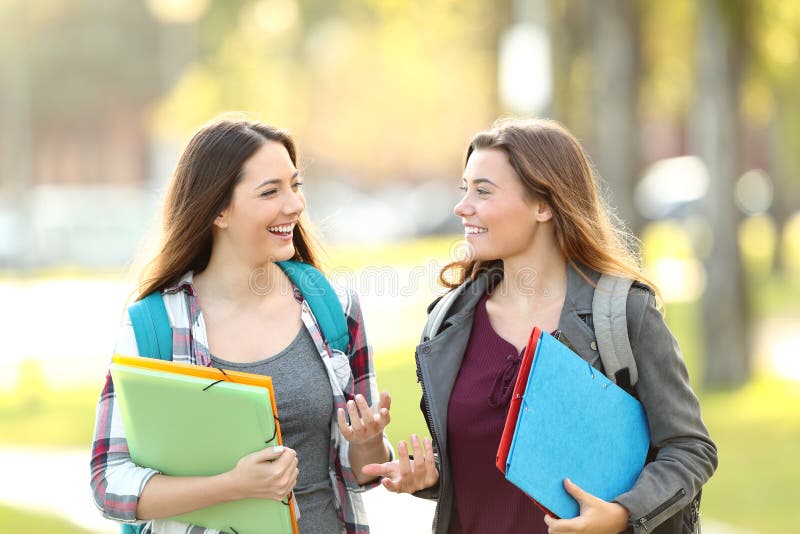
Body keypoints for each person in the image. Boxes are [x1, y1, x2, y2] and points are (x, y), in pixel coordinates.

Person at [363, 118, 718, 533]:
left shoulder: (623, 314)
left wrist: (622, 513)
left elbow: (690, 448)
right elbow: (488, 461)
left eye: (483, 191)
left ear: (544, 205)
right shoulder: (448, 322)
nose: (462, 207)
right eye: (465, 190)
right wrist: (431, 476)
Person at [90, 119, 393, 534]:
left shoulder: (333, 308)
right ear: (218, 209)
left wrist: (367, 441)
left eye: (295, 185)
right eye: (270, 191)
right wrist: (231, 486)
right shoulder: (154, 325)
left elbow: (362, 473)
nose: (295, 205)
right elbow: (109, 482)